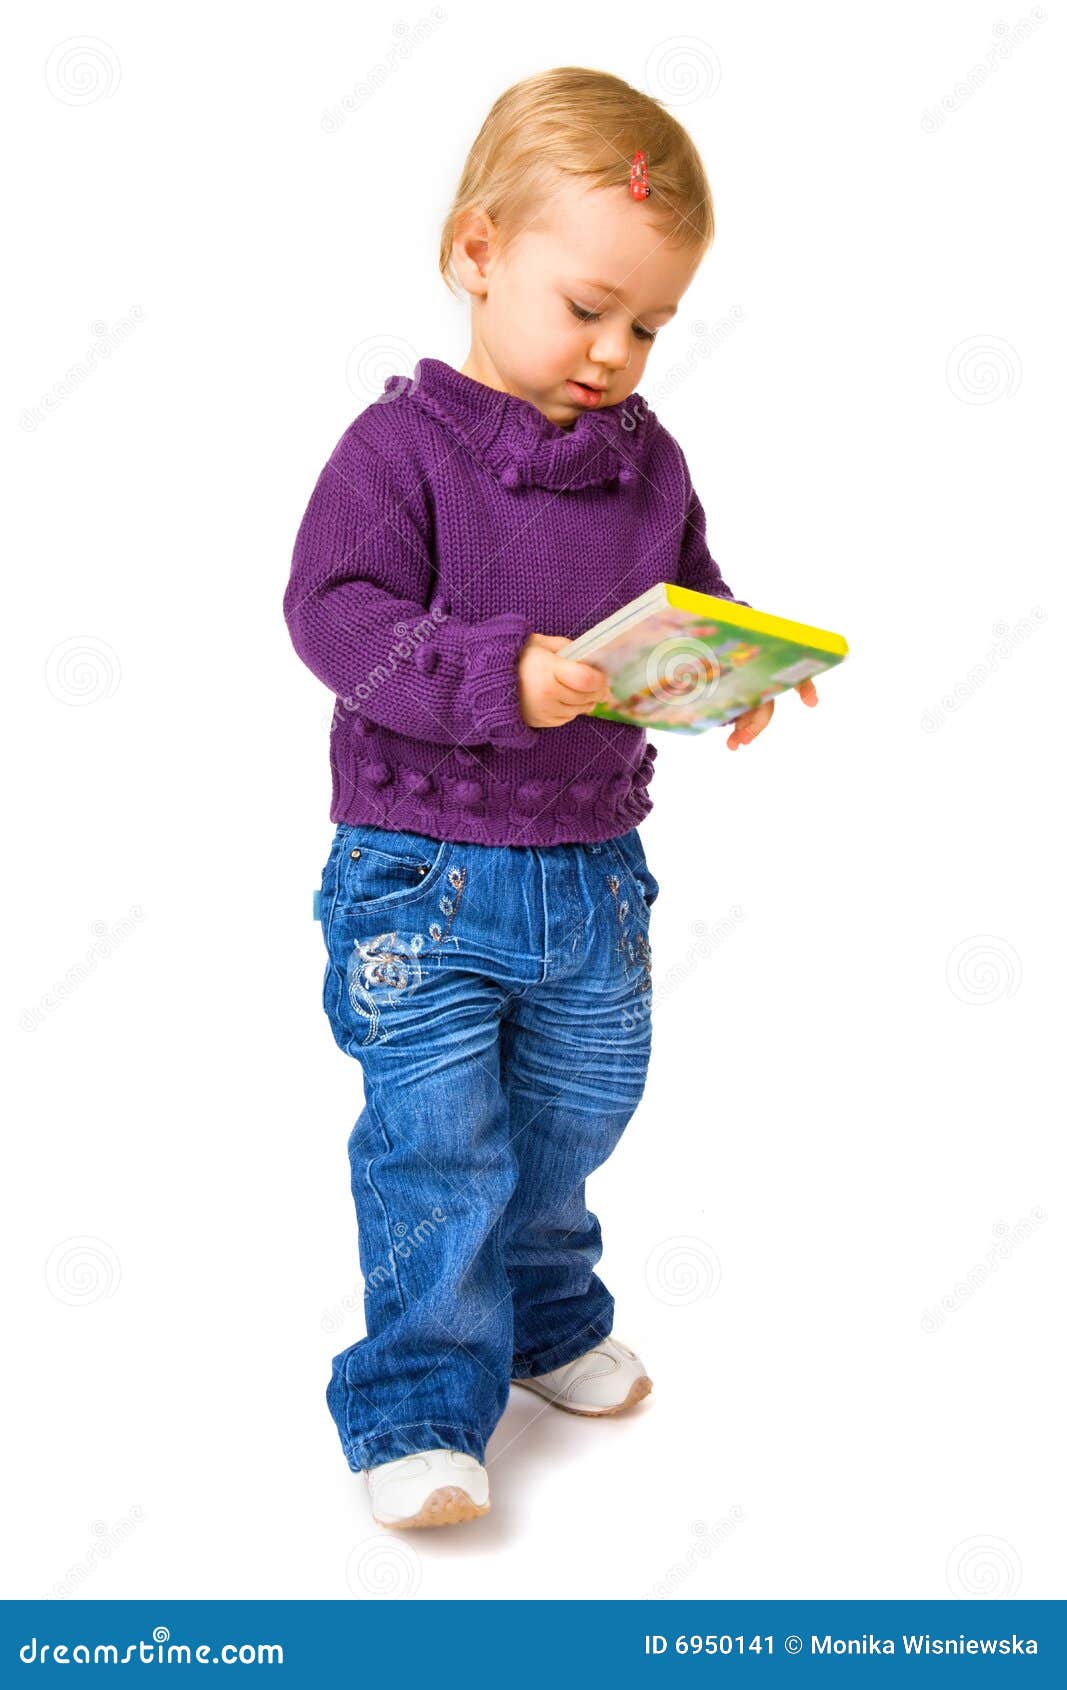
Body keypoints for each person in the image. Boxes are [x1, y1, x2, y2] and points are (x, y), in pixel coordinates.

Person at [283, 65, 818, 1531]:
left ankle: (544, 1312)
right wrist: (491, 675)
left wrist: (731, 663)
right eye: (588, 308)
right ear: (478, 252)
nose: (615, 351)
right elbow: (331, 612)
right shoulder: (401, 451)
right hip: (420, 873)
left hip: (592, 867)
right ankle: (417, 1399)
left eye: (649, 324)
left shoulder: (652, 464)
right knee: (440, 1139)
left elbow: (684, 591)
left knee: (577, 1111)